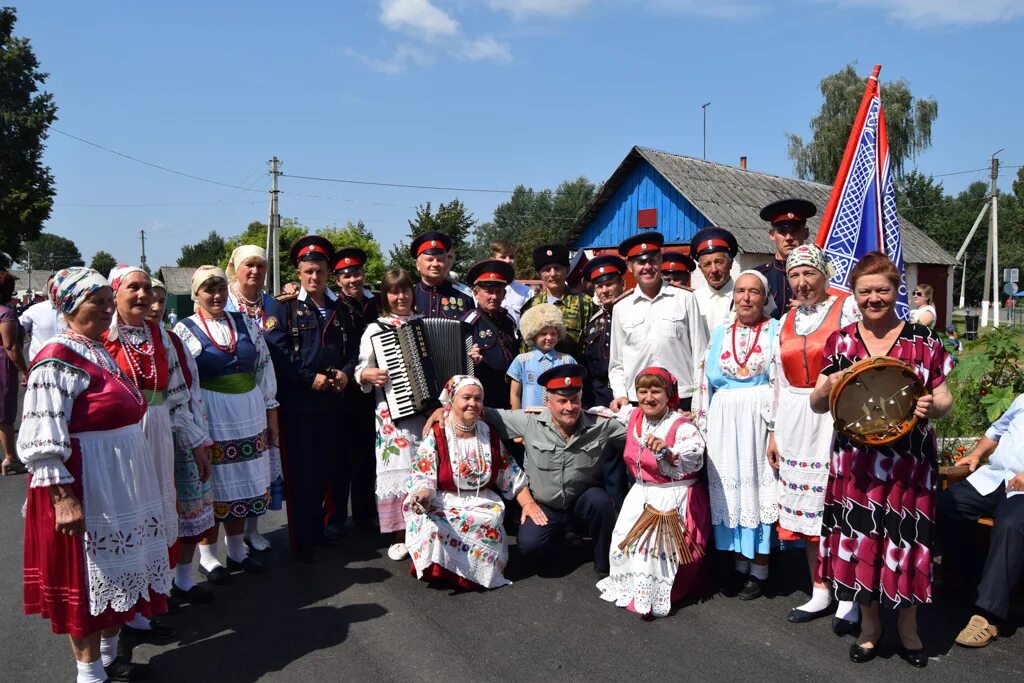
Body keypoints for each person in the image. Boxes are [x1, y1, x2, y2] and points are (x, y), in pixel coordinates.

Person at [20, 268, 169, 683]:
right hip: (85, 481)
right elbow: (41, 437)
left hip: (116, 480)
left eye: (108, 300)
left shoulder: (95, 348)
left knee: (117, 569)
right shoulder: (57, 357)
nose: (107, 308)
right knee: (87, 579)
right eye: (96, 301)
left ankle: (107, 655)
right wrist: (63, 499)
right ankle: (89, 673)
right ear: (69, 306)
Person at [809, 252, 953, 667]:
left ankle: (908, 630)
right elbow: (819, 403)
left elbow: (944, 397)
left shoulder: (923, 340)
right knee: (862, 541)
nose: (874, 298)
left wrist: (932, 406)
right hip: (857, 462)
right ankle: (870, 629)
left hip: (909, 462)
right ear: (854, 296)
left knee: (906, 541)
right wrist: (829, 386)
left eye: (883, 291)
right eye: (865, 291)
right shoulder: (841, 341)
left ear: (897, 293)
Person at [428, 364, 627, 574]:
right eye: (562, 401)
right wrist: (445, 409)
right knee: (531, 546)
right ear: (548, 402)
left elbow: (637, 435)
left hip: (582, 501)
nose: (569, 407)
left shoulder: (602, 425)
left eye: (574, 400)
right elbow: (481, 412)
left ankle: (605, 563)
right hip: (544, 505)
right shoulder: (528, 421)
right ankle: (563, 540)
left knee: (601, 502)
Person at [103, 265, 209, 643]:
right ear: (114, 293)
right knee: (124, 519)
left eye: (147, 288)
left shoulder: (161, 337)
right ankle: (122, 611)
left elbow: (178, 395)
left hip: (159, 430)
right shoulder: (102, 337)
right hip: (119, 436)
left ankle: (146, 603)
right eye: (133, 288)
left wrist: (196, 441)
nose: (143, 295)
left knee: (158, 515)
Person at [766, 245, 859, 625]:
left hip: (836, 417)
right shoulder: (786, 320)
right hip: (793, 420)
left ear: (825, 274)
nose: (802, 283)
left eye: (809, 274)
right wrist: (772, 431)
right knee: (808, 516)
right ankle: (820, 588)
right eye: (795, 276)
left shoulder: (846, 308)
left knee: (841, 509)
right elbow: (776, 380)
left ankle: (851, 595)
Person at [174, 266, 278, 582]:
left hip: (249, 411)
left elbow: (264, 367)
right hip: (211, 414)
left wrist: (270, 411)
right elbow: (182, 381)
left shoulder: (246, 322)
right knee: (213, 486)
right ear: (196, 295)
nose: (216, 295)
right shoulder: (185, 330)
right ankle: (208, 557)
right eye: (209, 290)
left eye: (220, 288)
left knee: (244, 482)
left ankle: (236, 552)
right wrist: (191, 426)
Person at [264, 235, 353, 563]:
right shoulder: (283, 307)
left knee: (323, 471)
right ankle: (301, 542)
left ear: (328, 271)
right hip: (299, 404)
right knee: (301, 474)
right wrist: (308, 377)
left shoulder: (339, 307)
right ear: (299, 273)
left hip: (332, 402)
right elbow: (279, 353)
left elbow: (352, 348)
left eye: (319, 271)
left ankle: (317, 531)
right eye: (308, 271)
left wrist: (345, 371)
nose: (314, 277)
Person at [597, 367, 710, 618]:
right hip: (640, 494)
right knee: (624, 546)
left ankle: (658, 594)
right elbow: (604, 413)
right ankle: (637, 589)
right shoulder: (635, 416)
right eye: (642, 391)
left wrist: (668, 453)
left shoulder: (681, 426)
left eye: (656, 391)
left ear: (668, 394)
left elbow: (693, 455)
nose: (648, 397)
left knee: (655, 555)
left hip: (672, 497)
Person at [695, 270, 780, 601]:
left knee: (757, 491)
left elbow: (779, 382)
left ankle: (760, 569)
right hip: (724, 421)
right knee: (731, 491)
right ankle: (738, 566)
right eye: (741, 291)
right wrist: (703, 428)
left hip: (758, 420)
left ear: (765, 297)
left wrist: (775, 429)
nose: (746, 297)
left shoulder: (775, 330)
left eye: (754, 292)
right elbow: (705, 382)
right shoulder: (720, 333)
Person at [405, 375, 532, 589]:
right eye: (466, 397)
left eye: (478, 398)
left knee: (489, 520)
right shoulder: (438, 433)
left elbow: (509, 472)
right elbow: (423, 473)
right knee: (434, 526)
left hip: (481, 500)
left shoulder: (488, 433)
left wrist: (528, 504)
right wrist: (424, 496)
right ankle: (442, 571)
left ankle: (473, 574)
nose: (472, 403)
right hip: (443, 500)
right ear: (452, 400)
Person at [147, 277, 217, 606]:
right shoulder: (114, 341)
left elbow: (193, 390)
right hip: (148, 438)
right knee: (153, 514)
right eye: (151, 299)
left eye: (161, 299)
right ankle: (149, 594)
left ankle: (183, 580)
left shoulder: (174, 341)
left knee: (191, 511)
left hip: (182, 432)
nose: (157, 306)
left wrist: (199, 437)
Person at [939, 394, 1024, 649]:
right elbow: (997, 430)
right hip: (995, 479)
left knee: (1010, 524)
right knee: (946, 506)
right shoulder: (1022, 399)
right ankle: (970, 584)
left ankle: (988, 614)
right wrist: (976, 454)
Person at [355, 269, 427, 561]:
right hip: (392, 412)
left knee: (427, 464)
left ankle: (427, 526)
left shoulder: (426, 324)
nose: (401, 297)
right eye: (394, 292)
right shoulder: (376, 329)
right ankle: (401, 531)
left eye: (405, 291)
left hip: (428, 412)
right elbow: (361, 369)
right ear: (385, 296)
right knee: (401, 465)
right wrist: (368, 374)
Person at [224, 245, 284, 551]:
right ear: (235, 268)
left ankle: (252, 529)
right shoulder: (225, 302)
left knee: (259, 461)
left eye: (261, 266)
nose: (255, 271)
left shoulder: (273, 303)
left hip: (267, 390)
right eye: (249, 265)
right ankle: (228, 538)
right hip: (232, 396)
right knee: (232, 466)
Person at [608, 232, 708, 413]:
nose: (647, 267)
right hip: (638, 400)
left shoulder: (685, 299)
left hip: (681, 399)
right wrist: (621, 395)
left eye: (652, 260)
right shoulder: (621, 307)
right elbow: (616, 363)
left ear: (661, 261)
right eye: (640, 262)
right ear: (630, 266)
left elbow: (701, 355)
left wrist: (698, 402)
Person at [329, 247, 380, 535]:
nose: (353, 280)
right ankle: (336, 518)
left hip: (371, 391)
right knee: (340, 458)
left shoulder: (376, 303)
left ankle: (364, 514)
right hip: (343, 388)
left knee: (367, 456)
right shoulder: (334, 305)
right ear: (338, 280)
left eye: (357, 273)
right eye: (346, 276)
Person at [519, 243, 596, 363]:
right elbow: (524, 349)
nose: (553, 274)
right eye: (547, 269)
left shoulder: (585, 304)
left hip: (573, 375)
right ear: (539, 274)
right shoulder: (531, 306)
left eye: (557, 268)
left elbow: (593, 347)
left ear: (567, 270)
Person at [461, 260, 520, 409]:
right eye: (489, 291)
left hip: (510, 396)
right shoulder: (467, 323)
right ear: (475, 293)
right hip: (484, 400)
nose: (494, 296)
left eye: (498, 291)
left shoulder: (508, 321)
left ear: (504, 293)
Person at [507, 303, 576, 410]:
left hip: (558, 419)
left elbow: (576, 393)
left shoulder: (567, 360)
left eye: (553, 333)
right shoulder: (522, 360)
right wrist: (517, 419)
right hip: (529, 420)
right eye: (543, 333)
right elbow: (514, 395)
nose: (549, 337)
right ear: (533, 335)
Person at [756, 198, 816, 319]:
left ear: (806, 233)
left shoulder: (821, 275)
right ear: (772, 235)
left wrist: (813, 307)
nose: (788, 237)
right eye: (782, 232)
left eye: (794, 231)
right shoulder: (758, 277)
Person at [581, 255, 626, 409]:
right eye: (599, 286)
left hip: (629, 395)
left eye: (609, 284)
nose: (604, 290)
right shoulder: (594, 321)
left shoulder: (634, 315)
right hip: (598, 398)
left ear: (622, 284)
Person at [0, 271, 29, 475]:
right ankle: (10, 457)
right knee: (5, 415)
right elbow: (10, 346)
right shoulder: (6, 313)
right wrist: (25, 370)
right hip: (3, 365)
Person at [411, 231, 473, 320]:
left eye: (440, 260)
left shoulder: (465, 297)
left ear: (446, 263)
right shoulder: (409, 297)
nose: (435, 264)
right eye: (430, 259)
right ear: (418, 264)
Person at [691, 227, 740, 333]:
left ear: (730, 264)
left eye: (718, 262)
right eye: (707, 264)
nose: (714, 270)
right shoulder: (694, 299)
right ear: (700, 269)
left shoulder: (744, 295)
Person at [19, 274, 66, 362]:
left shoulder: (76, 311)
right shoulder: (35, 310)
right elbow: (15, 329)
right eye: (51, 286)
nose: (54, 290)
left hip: (69, 365)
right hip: (40, 364)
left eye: (58, 286)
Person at [490, 239, 532, 324]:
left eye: (511, 257)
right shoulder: (482, 291)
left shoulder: (527, 292)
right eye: (503, 257)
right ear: (492, 260)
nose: (508, 261)